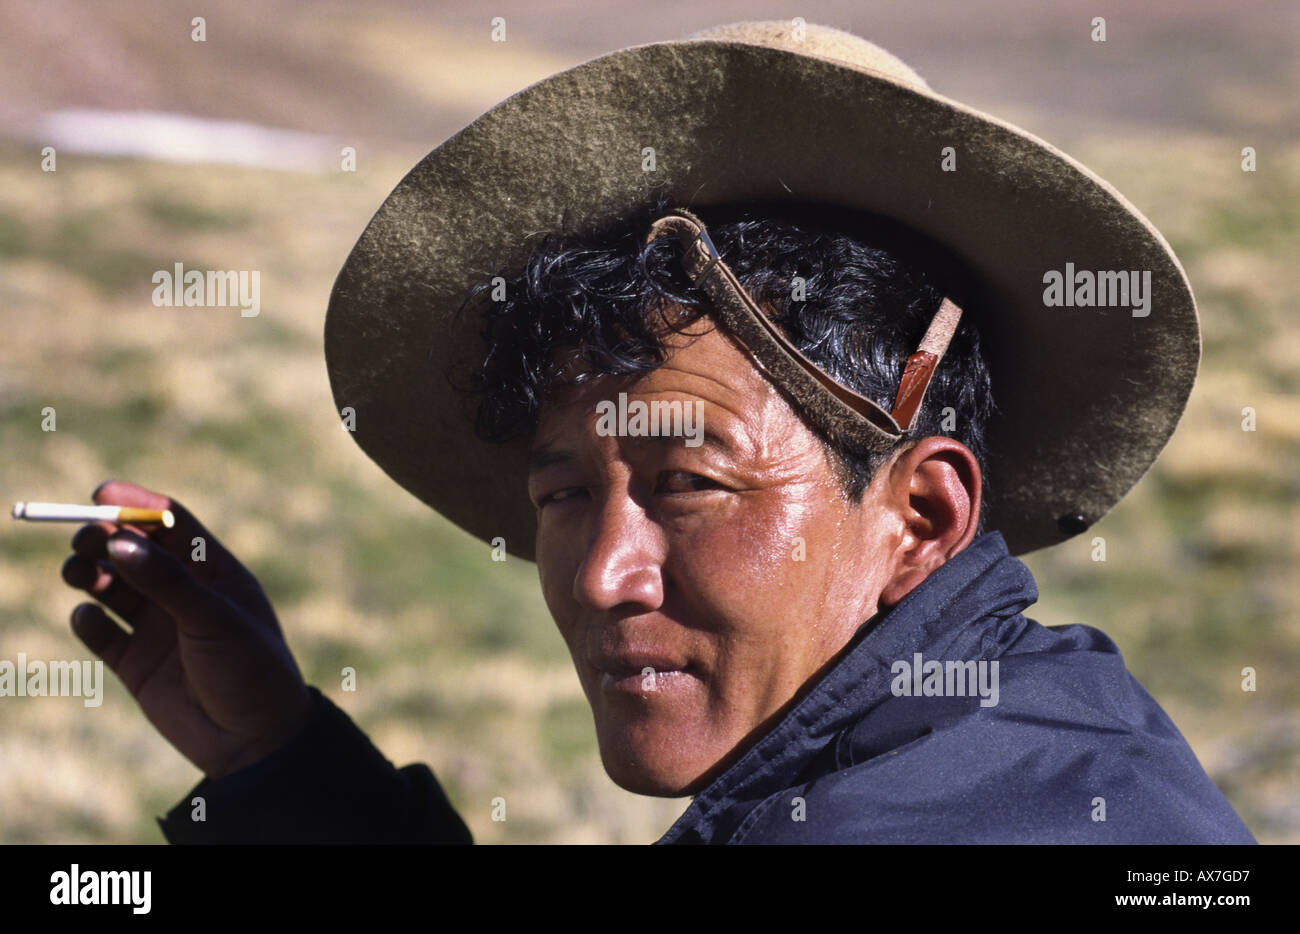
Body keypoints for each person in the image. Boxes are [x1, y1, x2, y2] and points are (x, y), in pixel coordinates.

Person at [60, 21, 1255, 843]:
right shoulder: (993, 746)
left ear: (919, 517)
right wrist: (276, 754)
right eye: (564, 493)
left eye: (686, 482)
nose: (597, 573)